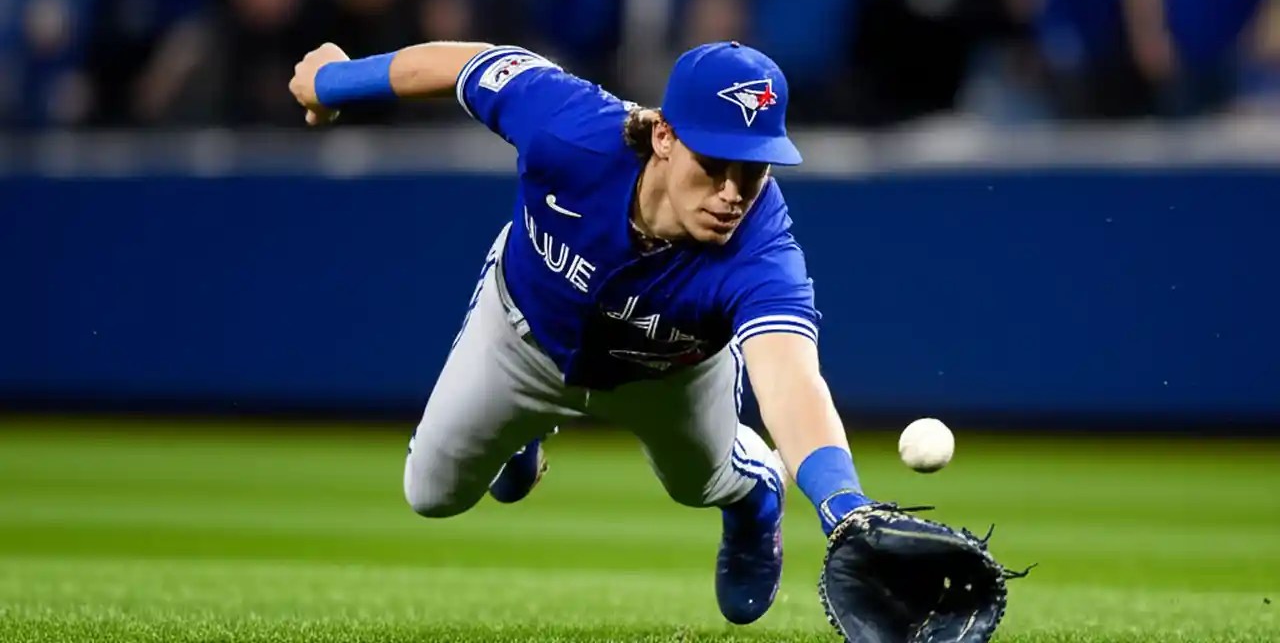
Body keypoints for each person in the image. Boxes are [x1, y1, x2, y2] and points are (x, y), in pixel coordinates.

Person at [287, 39, 1016, 636]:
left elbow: (791, 379)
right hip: (518, 334)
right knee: (431, 495)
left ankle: (755, 492)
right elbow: (463, 65)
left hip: (667, 377)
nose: (733, 191)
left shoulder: (762, 249)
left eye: (754, 170)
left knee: (698, 484)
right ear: (664, 137)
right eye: (715, 164)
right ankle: (519, 432)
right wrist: (334, 80)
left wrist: (844, 507)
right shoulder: (569, 127)